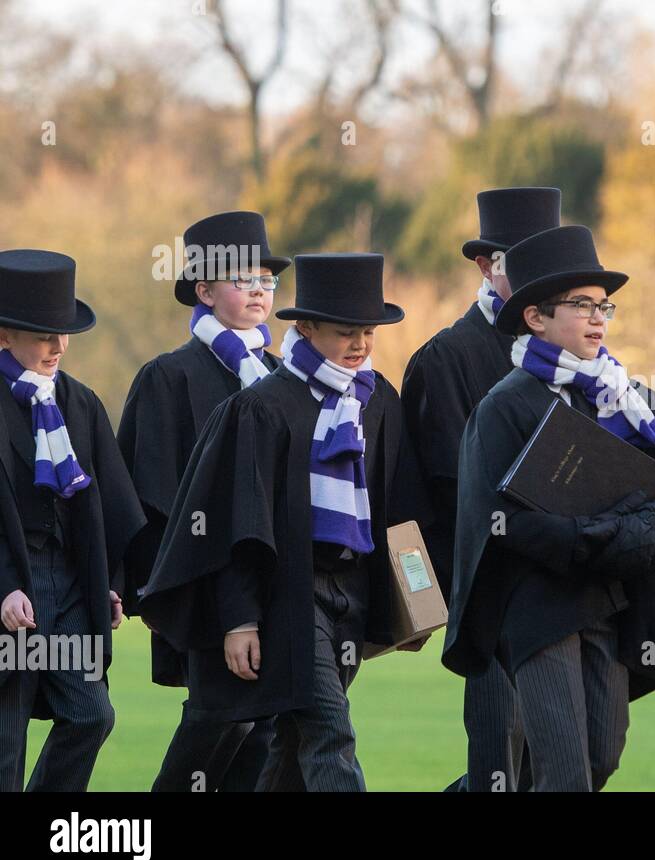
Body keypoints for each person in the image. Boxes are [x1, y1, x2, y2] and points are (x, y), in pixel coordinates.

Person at [139, 253, 429, 791]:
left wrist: (418, 597)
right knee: (329, 733)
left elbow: (400, 510)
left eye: (368, 331)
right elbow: (236, 526)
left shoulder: (379, 400)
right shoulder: (263, 407)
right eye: (346, 332)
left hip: (354, 592)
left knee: (292, 748)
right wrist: (240, 619)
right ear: (305, 328)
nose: (361, 344)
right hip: (290, 596)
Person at [442, 225, 655, 791]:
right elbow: (496, 518)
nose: (597, 317)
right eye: (580, 305)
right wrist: (592, 538)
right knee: (565, 775)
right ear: (535, 317)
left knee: (601, 757)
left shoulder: (631, 399)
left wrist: (644, 532)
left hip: (613, 603)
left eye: (603, 304)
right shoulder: (505, 405)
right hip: (537, 609)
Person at [119, 210, 289, 792]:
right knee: (217, 720)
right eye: (243, 278)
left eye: (267, 280)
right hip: (205, 587)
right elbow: (150, 498)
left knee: (262, 735)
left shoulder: (280, 375)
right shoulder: (168, 377)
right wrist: (202, 599)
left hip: (275, 584)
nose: (259, 290)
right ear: (204, 288)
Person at [402, 187, 561, 792]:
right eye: (516, 262)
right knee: (501, 765)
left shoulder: (578, 355)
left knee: (564, 764)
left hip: (567, 583)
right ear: (485, 265)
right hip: (490, 591)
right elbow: (440, 491)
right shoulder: (445, 358)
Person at [0, 248, 145, 791]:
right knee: (4, 745)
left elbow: (108, 505)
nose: (59, 347)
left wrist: (106, 582)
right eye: (43, 335)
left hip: (68, 588)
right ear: (3, 336)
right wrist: (5, 588)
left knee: (91, 716)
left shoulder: (79, 403)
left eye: (63, 334)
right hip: (13, 590)